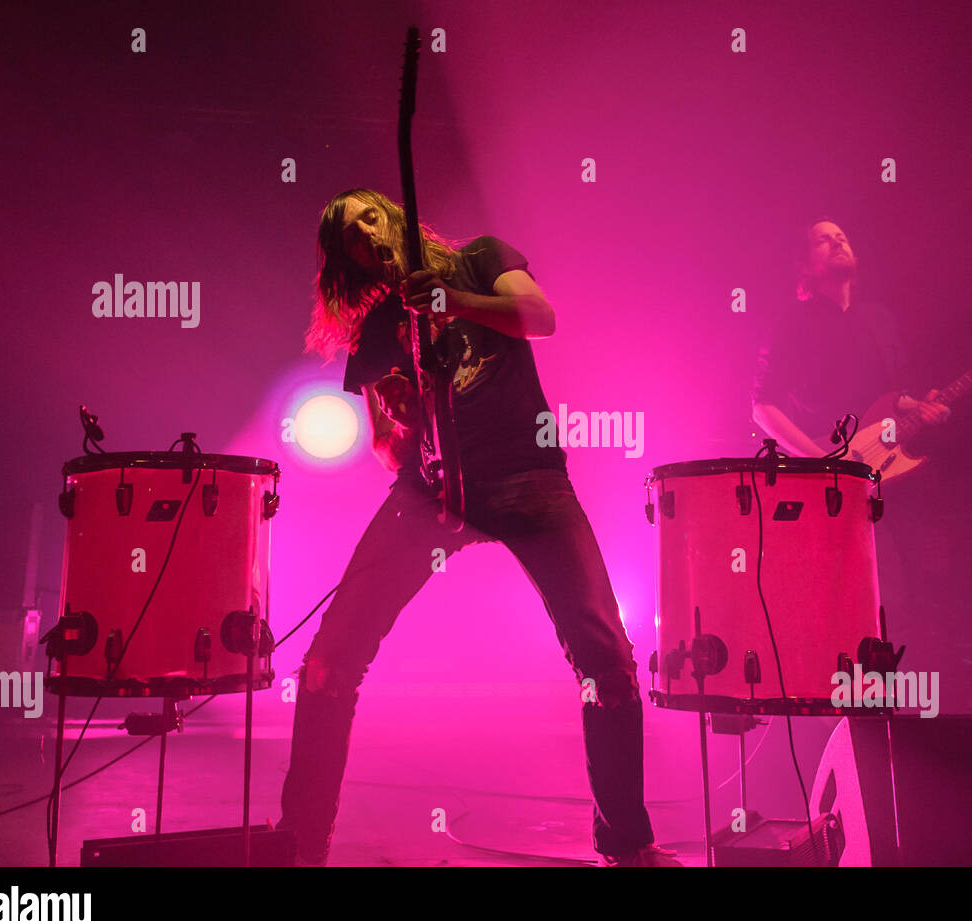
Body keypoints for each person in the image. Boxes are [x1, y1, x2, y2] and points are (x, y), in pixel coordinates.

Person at [279, 188, 679, 867]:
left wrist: (453, 303)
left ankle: (629, 847)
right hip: (433, 492)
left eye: (370, 217)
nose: (366, 234)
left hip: (528, 476)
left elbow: (539, 317)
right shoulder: (377, 332)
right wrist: (402, 419)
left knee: (605, 660)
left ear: (396, 217)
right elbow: (383, 445)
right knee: (327, 663)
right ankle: (297, 846)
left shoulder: (480, 260)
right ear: (346, 261)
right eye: (349, 235)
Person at [750, 217, 950, 654]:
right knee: (854, 597)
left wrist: (920, 406)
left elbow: (894, 397)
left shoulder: (879, 319)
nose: (837, 241)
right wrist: (822, 463)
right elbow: (762, 407)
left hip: (890, 478)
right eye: (823, 239)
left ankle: (899, 705)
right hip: (832, 482)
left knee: (907, 597)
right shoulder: (792, 323)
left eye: (842, 236)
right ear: (804, 265)